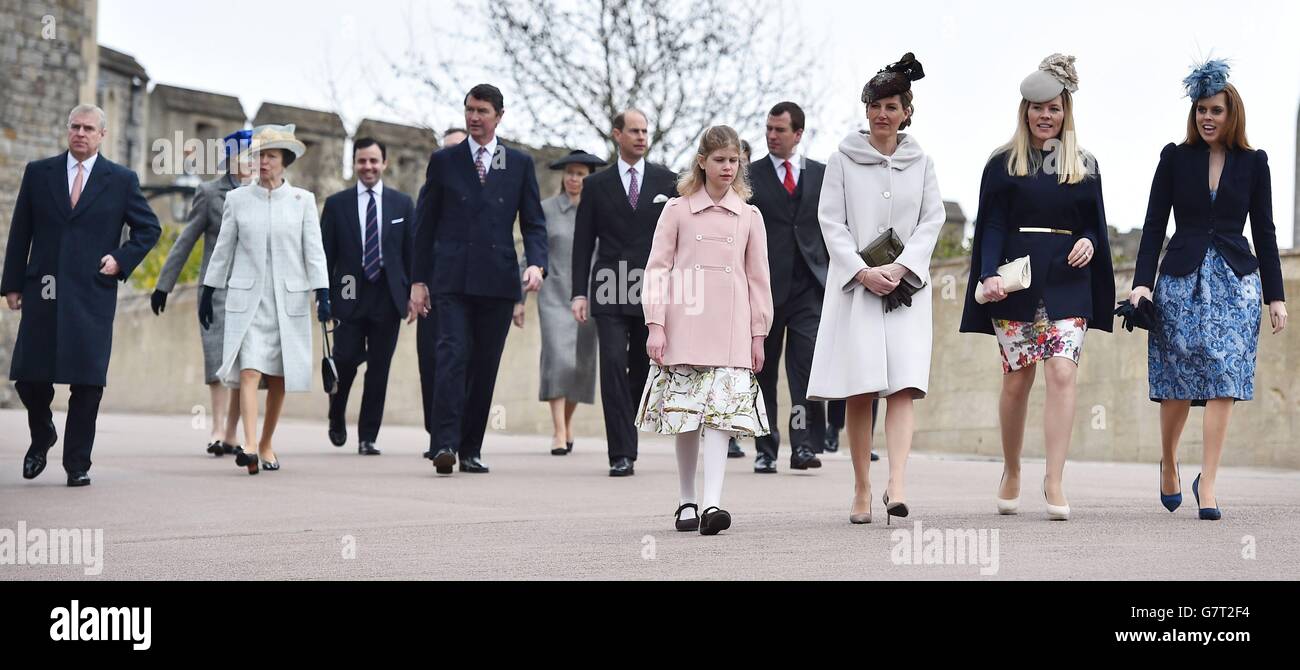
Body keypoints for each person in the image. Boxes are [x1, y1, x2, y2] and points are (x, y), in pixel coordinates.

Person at [1129, 59, 1287, 520]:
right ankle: (1170, 462)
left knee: (1225, 381)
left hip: (1237, 283)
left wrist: (1274, 295)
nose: (1207, 117)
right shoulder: (1175, 158)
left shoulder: (1254, 163)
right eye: (1201, 109)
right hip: (1180, 279)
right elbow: (1154, 224)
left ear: (1231, 113)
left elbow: (1267, 230)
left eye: (1216, 109)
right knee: (1176, 380)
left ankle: (1210, 481)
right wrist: (1142, 284)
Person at [959, 54, 1115, 520]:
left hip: (1068, 280)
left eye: (1054, 107)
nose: (1045, 115)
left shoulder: (1086, 164)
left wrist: (1088, 241)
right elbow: (990, 224)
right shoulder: (1002, 162)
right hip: (1016, 281)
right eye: (1037, 107)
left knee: (1063, 374)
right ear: (1024, 110)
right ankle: (1011, 469)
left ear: (1066, 111)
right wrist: (988, 273)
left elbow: (1095, 226)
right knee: (1016, 380)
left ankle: (1054, 478)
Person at [807, 53, 944, 525]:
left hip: (907, 291)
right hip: (857, 290)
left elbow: (933, 220)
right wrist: (862, 272)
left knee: (903, 386)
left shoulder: (922, 162)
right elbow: (831, 223)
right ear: (865, 110)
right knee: (861, 390)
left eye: (891, 105)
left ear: (906, 110)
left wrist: (904, 268)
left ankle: (898, 483)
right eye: (874, 105)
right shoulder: (841, 160)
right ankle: (863, 489)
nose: (882, 113)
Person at [3, 104, 161, 487]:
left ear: (102, 135)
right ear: (67, 129)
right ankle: (42, 435)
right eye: (75, 126)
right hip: (44, 290)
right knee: (28, 376)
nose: (80, 133)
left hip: (92, 294)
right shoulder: (39, 174)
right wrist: (11, 283)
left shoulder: (120, 180)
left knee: (88, 383)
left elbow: (148, 229)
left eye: (89, 128)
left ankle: (77, 463)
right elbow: (21, 229)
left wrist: (120, 261)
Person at [637, 125, 773, 536]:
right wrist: (655, 324)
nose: (728, 167)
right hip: (683, 327)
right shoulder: (677, 210)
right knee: (687, 418)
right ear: (702, 161)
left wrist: (758, 333)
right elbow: (657, 269)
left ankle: (713, 502)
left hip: (731, 330)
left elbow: (758, 278)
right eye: (720, 160)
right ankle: (686, 501)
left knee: (720, 418)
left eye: (734, 160)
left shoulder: (750, 216)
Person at [411, 84, 547, 475]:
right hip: (450, 279)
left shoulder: (519, 163)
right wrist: (420, 281)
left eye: (482, 111)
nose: (473, 117)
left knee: (484, 366)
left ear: (499, 115)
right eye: (469, 109)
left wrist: (536, 263)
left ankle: (471, 448)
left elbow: (534, 223)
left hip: (499, 282)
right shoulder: (444, 160)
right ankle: (444, 444)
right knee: (451, 355)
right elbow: (425, 224)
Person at [199, 124, 331, 475]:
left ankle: (267, 442)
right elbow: (223, 249)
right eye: (258, 156)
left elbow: (314, 252)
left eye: (270, 156)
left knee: (278, 378)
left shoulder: (303, 201)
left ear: (284, 160)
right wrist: (209, 289)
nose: (262, 162)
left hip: (287, 304)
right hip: (247, 301)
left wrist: (324, 293)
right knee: (249, 372)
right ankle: (249, 444)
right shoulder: (237, 199)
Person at [570, 109, 678, 477]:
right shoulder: (597, 185)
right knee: (613, 364)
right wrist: (578, 293)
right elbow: (583, 242)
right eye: (633, 131)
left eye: (645, 131)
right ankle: (621, 453)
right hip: (608, 289)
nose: (641, 137)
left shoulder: (668, 180)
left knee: (642, 371)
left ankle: (627, 418)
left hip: (652, 289)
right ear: (617, 135)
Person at [151, 129, 253, 458]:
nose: (250, 161)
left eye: (254, 155)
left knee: (245, 363)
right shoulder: (209, 193)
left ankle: (234, 432)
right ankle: (217, 427)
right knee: (216, 359)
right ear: (228, 159)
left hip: (252, 292)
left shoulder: (265, 196)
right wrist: (163, 285)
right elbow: (186, 240)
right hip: (216, 290)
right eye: (243, 154)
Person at [748, 101, 829, 474]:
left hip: (809, 288)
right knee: (763, 373)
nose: (771, 135)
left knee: (805, 373)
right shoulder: (749, 176)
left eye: (779, 130)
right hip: (764, 288)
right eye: (768, 129)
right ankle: (765, 448)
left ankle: (802, 447)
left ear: (798, 134)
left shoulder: (822, 175)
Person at [321, 137, 415, 456]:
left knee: (378, 368)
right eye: (362, 161)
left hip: (388, 296)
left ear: (384, 164)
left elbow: (411, 253)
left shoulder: (403, 204)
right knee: (345, 361)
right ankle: (336, 412)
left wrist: (415, 291)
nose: (368, 167)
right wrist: (324, 298)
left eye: (374, 161)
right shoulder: (337, 204)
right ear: (354, 164)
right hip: (348, 291)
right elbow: (325, 255)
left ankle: (368, 436)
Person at [522, 150, 604, 455]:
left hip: (590, 296)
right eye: (569, 172)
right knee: (557, 360)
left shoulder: (598, 211)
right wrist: (520, 300)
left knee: (579, 366)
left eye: (581, 173)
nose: (574, 178)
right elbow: (531, 253)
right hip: (554, 295)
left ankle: (567, 423)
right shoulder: (546, 210)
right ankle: (558, 432)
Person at [413, 127, 470, 446]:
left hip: (472, 290)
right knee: (433, 361)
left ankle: (455, 433)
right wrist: (417, 284)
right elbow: (419, 236)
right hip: (435, 290)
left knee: (464, 360)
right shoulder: (433, 188)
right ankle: (438, 432)